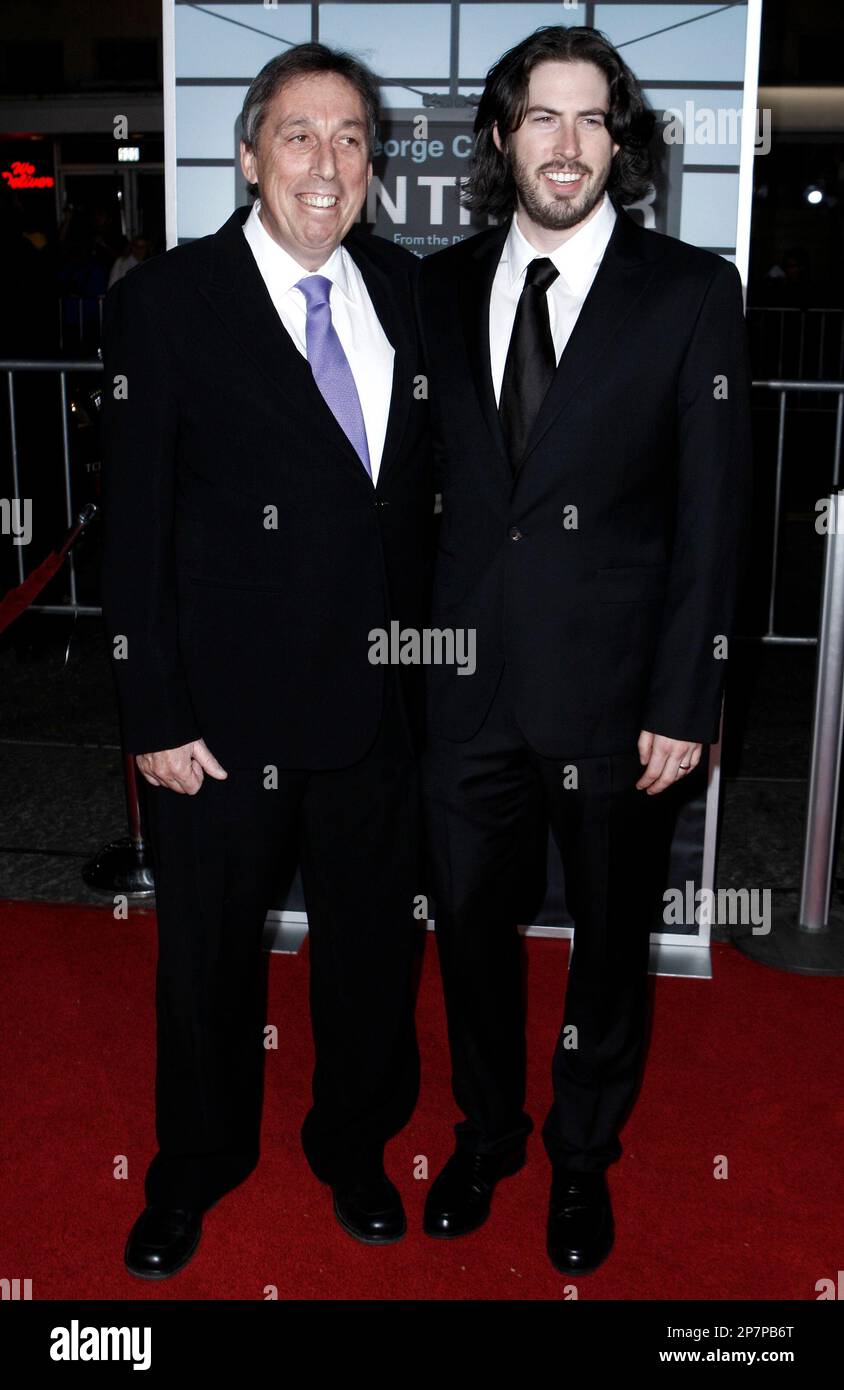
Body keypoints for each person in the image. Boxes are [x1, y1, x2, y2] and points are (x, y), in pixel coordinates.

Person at [417, 25, 752, 1275]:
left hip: (619, 697)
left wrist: (689, 693)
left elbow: (716, 517)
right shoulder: (434, 285)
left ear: (621, 139)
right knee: (467, 930)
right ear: (502, 136)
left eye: (592, 119)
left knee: (610, 942)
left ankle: (578, 1156)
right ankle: (489, 1132)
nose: (567, 145)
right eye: (541, 118)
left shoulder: (685, 292)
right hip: (459, 692)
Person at [100, 42, 432, 1280]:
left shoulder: (404, 290)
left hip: (375, 713)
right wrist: (151, 708)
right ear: (248, 155)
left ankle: (353, 1144)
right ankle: (192, 1166)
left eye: (350, 138)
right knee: (204, 958)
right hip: (218, 718)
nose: (326, 162)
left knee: (370, 951)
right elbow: (131, 524)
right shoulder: (170, 302)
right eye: (299, 134)